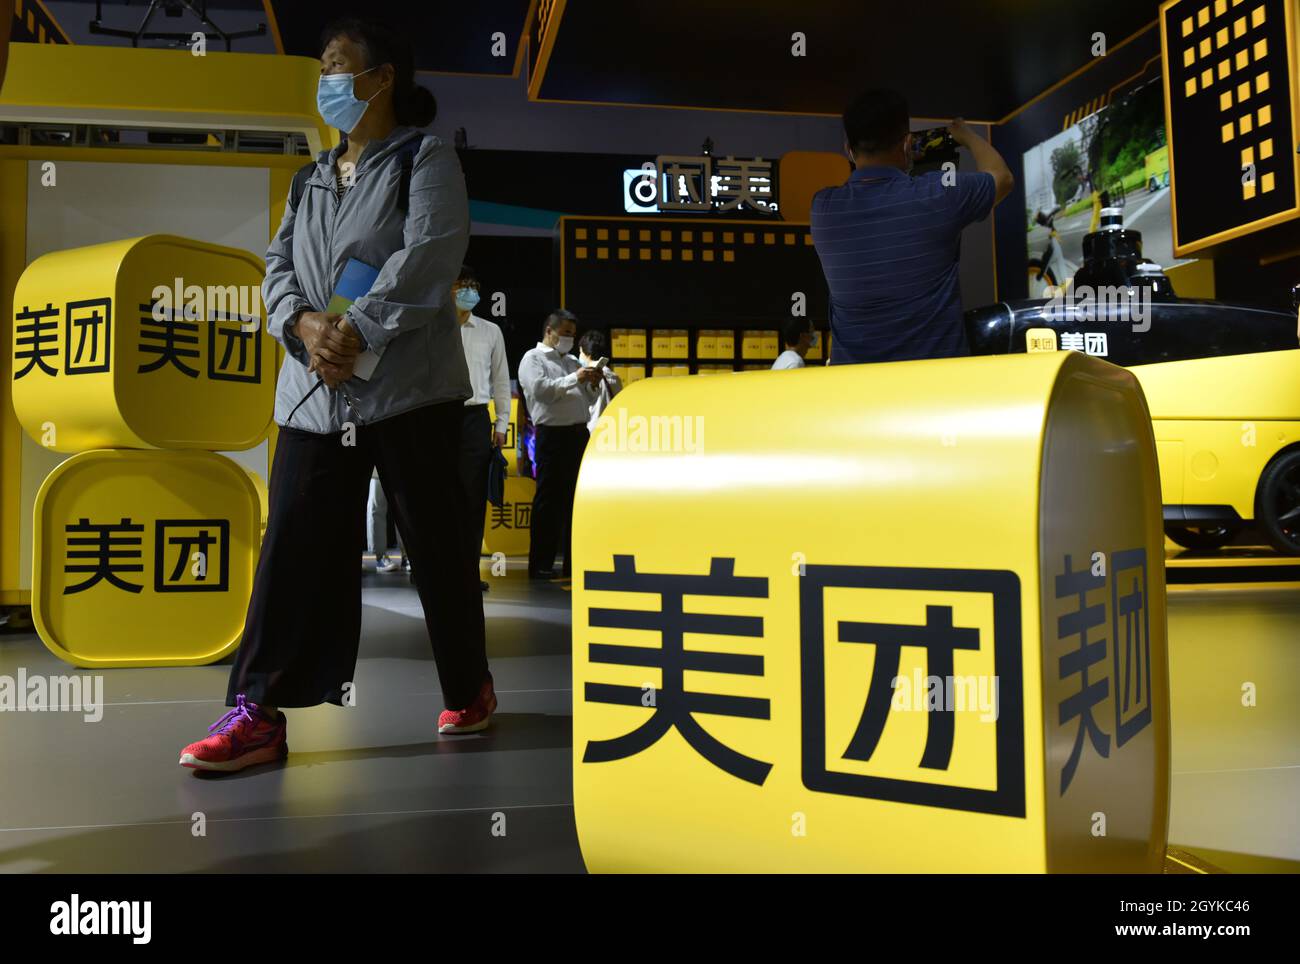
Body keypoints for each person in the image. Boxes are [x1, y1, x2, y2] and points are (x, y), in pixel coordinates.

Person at [179, 17, 494, 773]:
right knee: (289, 543)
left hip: (408, 392)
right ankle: (257, 710)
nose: (325, 81)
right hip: (311, 395)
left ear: (381, 79)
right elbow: (276, 265)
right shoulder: (309, 175)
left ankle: (468, 685)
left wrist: (355, 333)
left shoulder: (425, 158)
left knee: (438, 550)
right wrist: (299, 324)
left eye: (336, 66)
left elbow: (429, 254)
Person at [811, 88, 1014, 364]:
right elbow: (1001, 177)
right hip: (930, 390)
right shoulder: (941, 194)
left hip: (854, 391)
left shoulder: (823, 208)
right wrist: (965, 135)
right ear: (907, 144)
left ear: (849, 149)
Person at [518, 309, 601, 580]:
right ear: (549, 331)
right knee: (548, 502)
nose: (569, 338)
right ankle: (541, 563)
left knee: (575, 501)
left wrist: (592, 384)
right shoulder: (533, 359)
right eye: (565, 333)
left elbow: (585, 401)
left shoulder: (571, 361)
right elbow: (541, 391)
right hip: (552, 435)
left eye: (572, 334)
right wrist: (575, 378)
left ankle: (573, 562)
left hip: (578, 434)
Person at [455, 264, 510, 591]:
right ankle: (434, 571)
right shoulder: (432, 327)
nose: (470, 292)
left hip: (476, 418)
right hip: (437, 418)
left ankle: (467, 573)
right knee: (437, 497)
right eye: (463, 286)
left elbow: (501, 381)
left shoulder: (490, 331)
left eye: (474, 287)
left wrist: (501, 423)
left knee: (472, 499)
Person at [578, 329, 622, 431]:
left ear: (586, 353)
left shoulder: (585, 376)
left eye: (580, 352)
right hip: (612, 430)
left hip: (592, 432)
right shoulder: (615, 377)